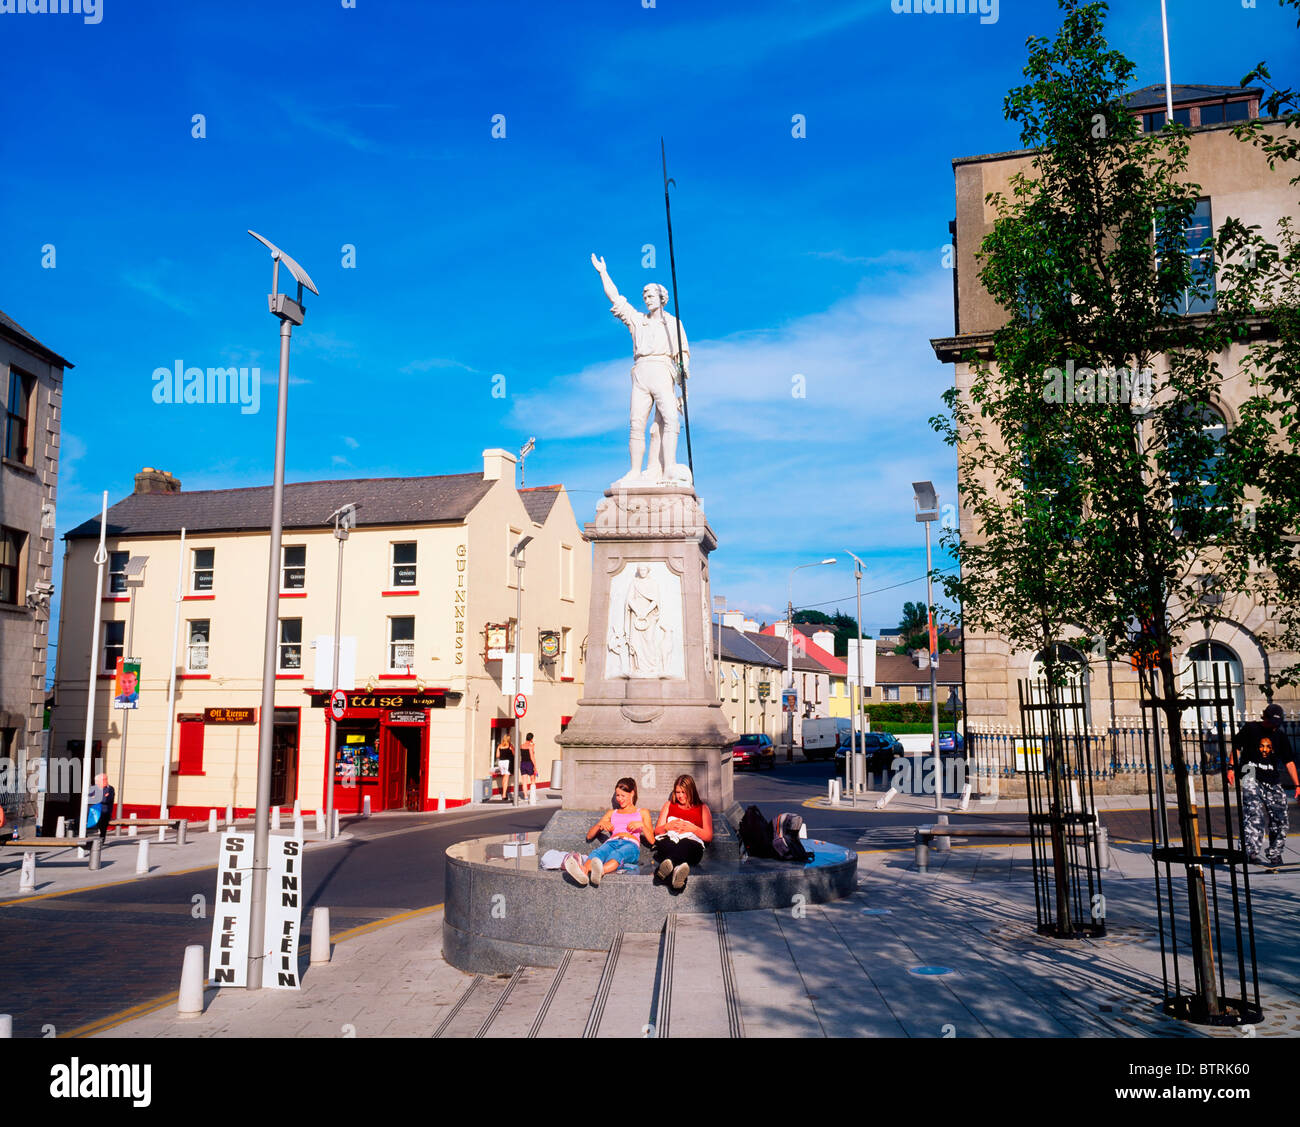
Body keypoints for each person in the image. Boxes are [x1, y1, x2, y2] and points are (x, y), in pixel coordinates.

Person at [591, 253, 690, 487]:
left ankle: (669, 469)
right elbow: (615, 298)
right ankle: (635, 471)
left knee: (670, 420)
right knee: (636, 423)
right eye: (645, 295)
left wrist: (683, 387)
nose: (647, 298)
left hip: (663, 370)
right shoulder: (637, 320)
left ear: (662, 298)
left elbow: (683, 355)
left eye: (651, 295)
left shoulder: (674, 325)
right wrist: (603, 272)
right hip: (641, 371)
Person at [1228, 703, 1299, 870]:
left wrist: (1297, 784)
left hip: (1271, 778)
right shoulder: (1251, 728)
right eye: (1272, 723)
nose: (1274, 727)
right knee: (1254, 813)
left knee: (1281, 817)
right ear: (1265, 718)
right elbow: (1236, 747)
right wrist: (1231, 768)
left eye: (1277, 725)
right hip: (1249, 772)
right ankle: (1250, 851)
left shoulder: (1280, 736)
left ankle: (1275, 852)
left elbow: (1289, 761)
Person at [564, 777, 654, 887]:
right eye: (617, 795)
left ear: (632, 794)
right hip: (611, 842)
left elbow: (652, 840)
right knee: (598, 853)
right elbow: (589, 836)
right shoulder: (612, 813)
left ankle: (600, 871)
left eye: (623, 795)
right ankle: (583, 872)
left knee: (618, 854)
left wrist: (642, 825)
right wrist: (600, 826)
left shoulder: (642, 812)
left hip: (631, 845)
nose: (620, 799)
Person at [653, 774, 713, 890]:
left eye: (683, 792)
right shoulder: (669, 805)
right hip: (670, 841)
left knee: (686, 845)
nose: (680, 796)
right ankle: (677, 872)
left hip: (691, 845)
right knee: (668, 844)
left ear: (691, 791)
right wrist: (667, 826)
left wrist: (693, 828)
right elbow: (657, 831)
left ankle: (663, 872)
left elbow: (708, 836)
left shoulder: (703, 808)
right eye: (677, 792)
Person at [94, 772, 115, 843]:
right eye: (103, 779)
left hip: (105, 812)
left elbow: (106, 800)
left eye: (106, 779)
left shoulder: (110, 789)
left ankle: (101, 839)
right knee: (78, 821)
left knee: (103, 821)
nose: (106, 780)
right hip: (94, 811)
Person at [496, 731, 514, 802]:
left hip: (501, 762)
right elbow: (514, 753)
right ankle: (504, 795)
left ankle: (503, 792)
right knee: (506, 778)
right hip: (507, 762)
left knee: (504, 777)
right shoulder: (510, 746)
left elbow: (497, 755)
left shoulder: (499, 746)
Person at [519, 733, 536, 802]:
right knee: (533, 780)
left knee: (524, 781)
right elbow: (532, 757)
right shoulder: (530, 746)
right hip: (529, 763)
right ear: (531, 739)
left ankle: (525, 796)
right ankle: (533, 795)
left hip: (522, 763)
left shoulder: (521, 746)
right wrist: (535, 766)